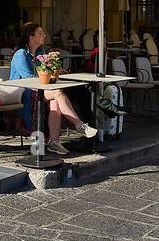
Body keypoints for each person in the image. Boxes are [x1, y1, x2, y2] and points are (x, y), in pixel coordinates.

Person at [9, 22, 97, 156]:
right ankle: (79, 125)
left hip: (39, 89)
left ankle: (54, 142)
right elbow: (30, 79)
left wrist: (57, 71)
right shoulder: (20, 55)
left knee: (56, 100)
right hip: (24, 91)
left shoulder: (40, 53)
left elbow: (45, 74)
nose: (44, 35)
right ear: (31, 37)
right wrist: (49, 74)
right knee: (57, 93)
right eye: (40, 33)